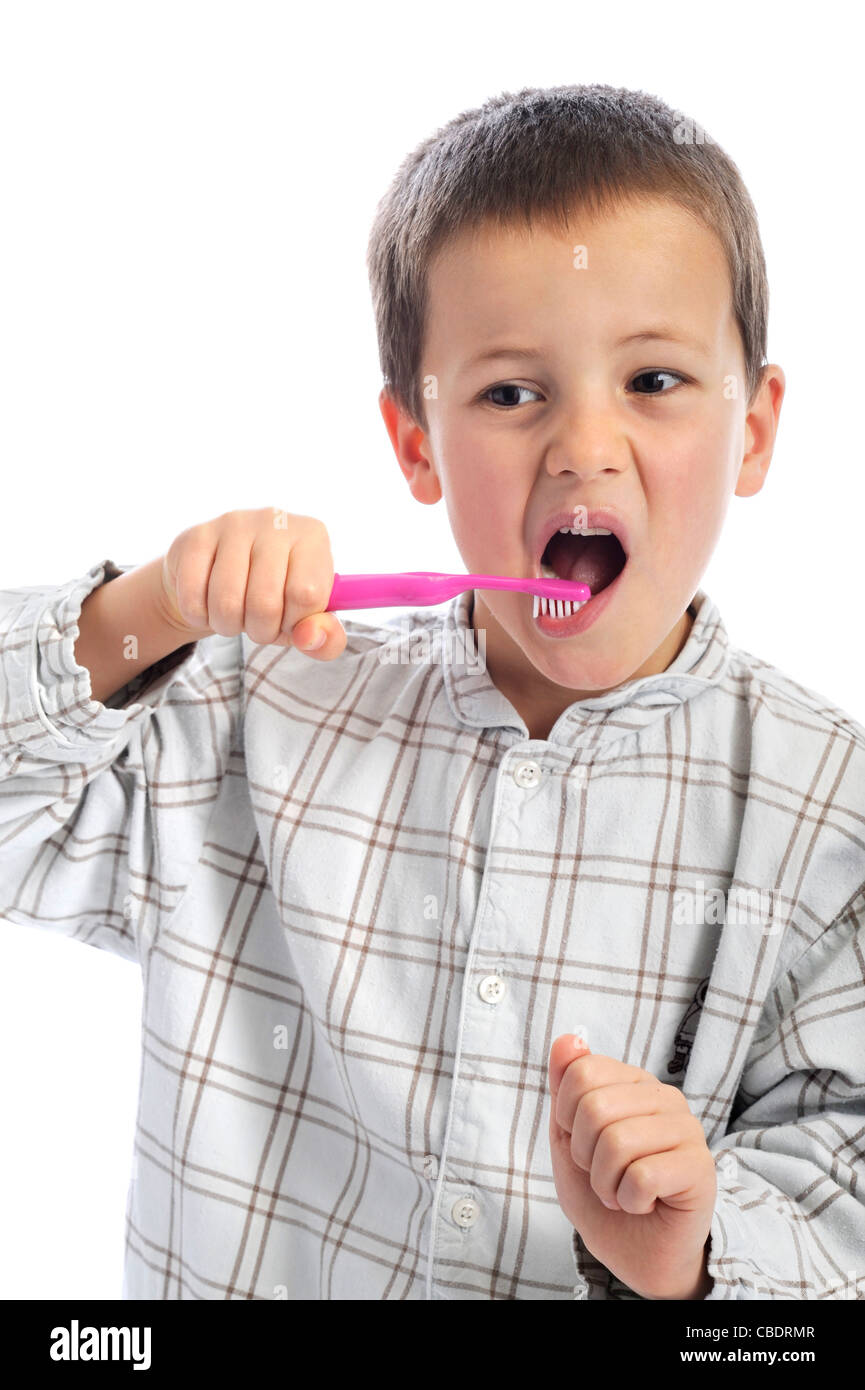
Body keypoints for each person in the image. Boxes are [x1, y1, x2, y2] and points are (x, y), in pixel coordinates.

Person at [2, 83, 863, 1300]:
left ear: (756, 429)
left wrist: (691, 1255)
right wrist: (151, 608)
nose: (583, 448)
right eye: (512, 393)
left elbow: (842, 1222)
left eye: (654, 381)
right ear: (414, 442)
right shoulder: (254, 703)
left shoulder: (834, 814)